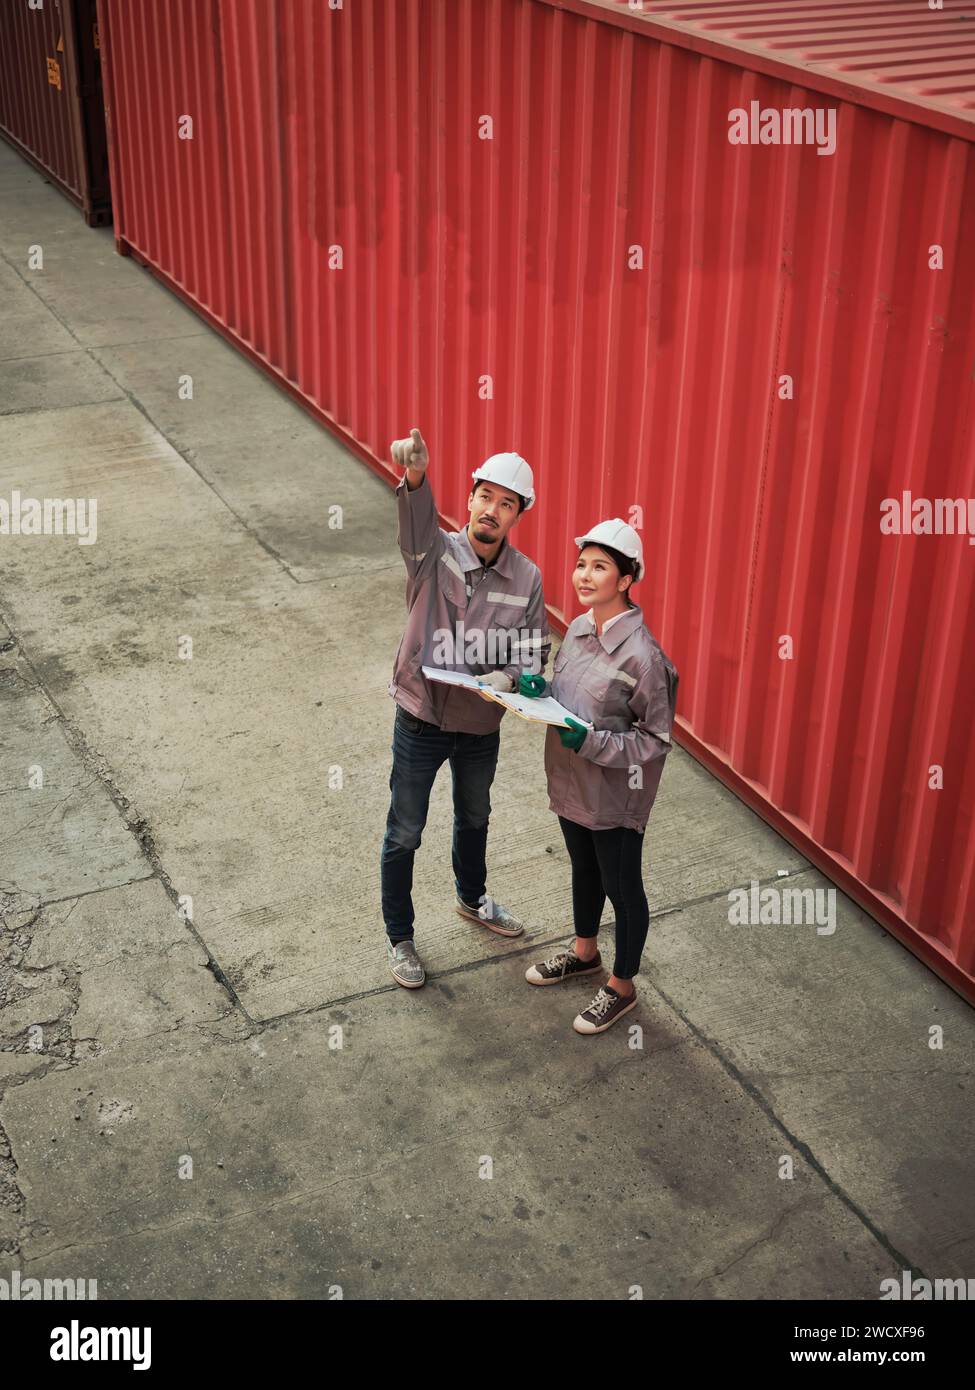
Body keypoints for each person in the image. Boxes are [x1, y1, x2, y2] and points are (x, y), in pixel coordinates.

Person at [382, 428, 551, 989]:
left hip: (480, 724)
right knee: (406, 830)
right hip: (421, 718)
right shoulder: (434, 553)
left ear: (517, 516)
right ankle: (401, 938)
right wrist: (415, 479)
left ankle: (473, 898)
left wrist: (506, 678)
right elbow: (412, 525)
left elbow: (533, 657)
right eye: (486, 497)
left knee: (475, 815)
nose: (493, 511)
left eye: (507, 504)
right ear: (469, 499)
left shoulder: (527, 579)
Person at [518, 519, 678, 1034]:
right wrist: (541, 690)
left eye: (600, 567)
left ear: (627, 579)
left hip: (616, 794)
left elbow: (654, 743)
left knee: (622, 886)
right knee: (583, 869)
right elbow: (574, 701)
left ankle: (622, 986)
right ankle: (585, 953)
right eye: (582, 563)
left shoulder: (646, 658)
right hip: (571, 784)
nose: (584, 575)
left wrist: (590, 742)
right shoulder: (582, 628)